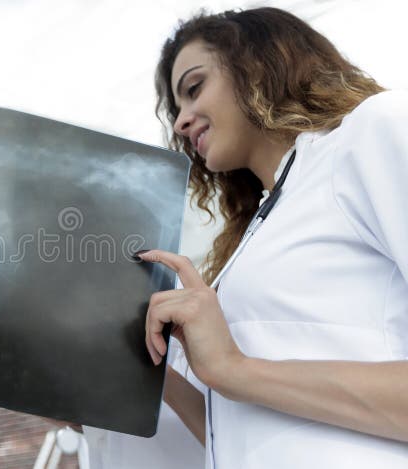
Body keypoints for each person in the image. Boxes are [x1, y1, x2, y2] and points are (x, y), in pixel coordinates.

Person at [135, 6, 408, 468]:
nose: (180, 121)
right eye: (177, 107)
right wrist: (158, 375)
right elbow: (246, 435)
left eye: (194, 88)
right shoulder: (256, 232)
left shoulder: (371, 132)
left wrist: (235, 369)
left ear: (258, 64)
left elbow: (241, 378)